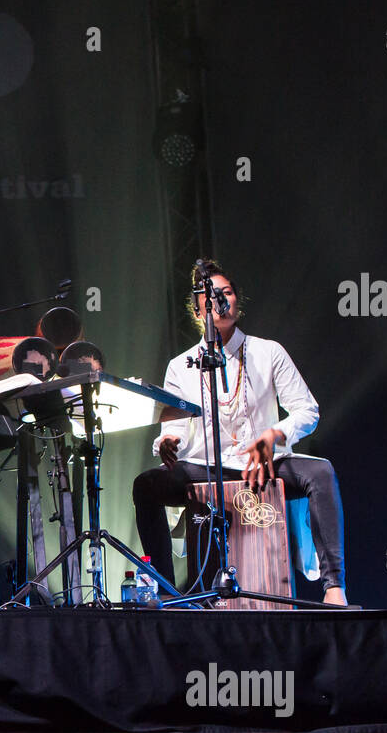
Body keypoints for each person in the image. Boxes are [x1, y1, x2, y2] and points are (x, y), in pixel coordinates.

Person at [132, 258, 348, 605]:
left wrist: (274, 435)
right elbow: (175, 429)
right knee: (145, 485)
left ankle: (334, 586)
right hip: (206, 466)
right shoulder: (180, 366)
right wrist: (169, 441)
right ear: (197, 306)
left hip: (263, 466)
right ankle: (166, 591)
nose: (221, 299)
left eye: (227, 292)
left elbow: (308, 411)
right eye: (212, 294)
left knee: (320, 472)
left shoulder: (268, 351)